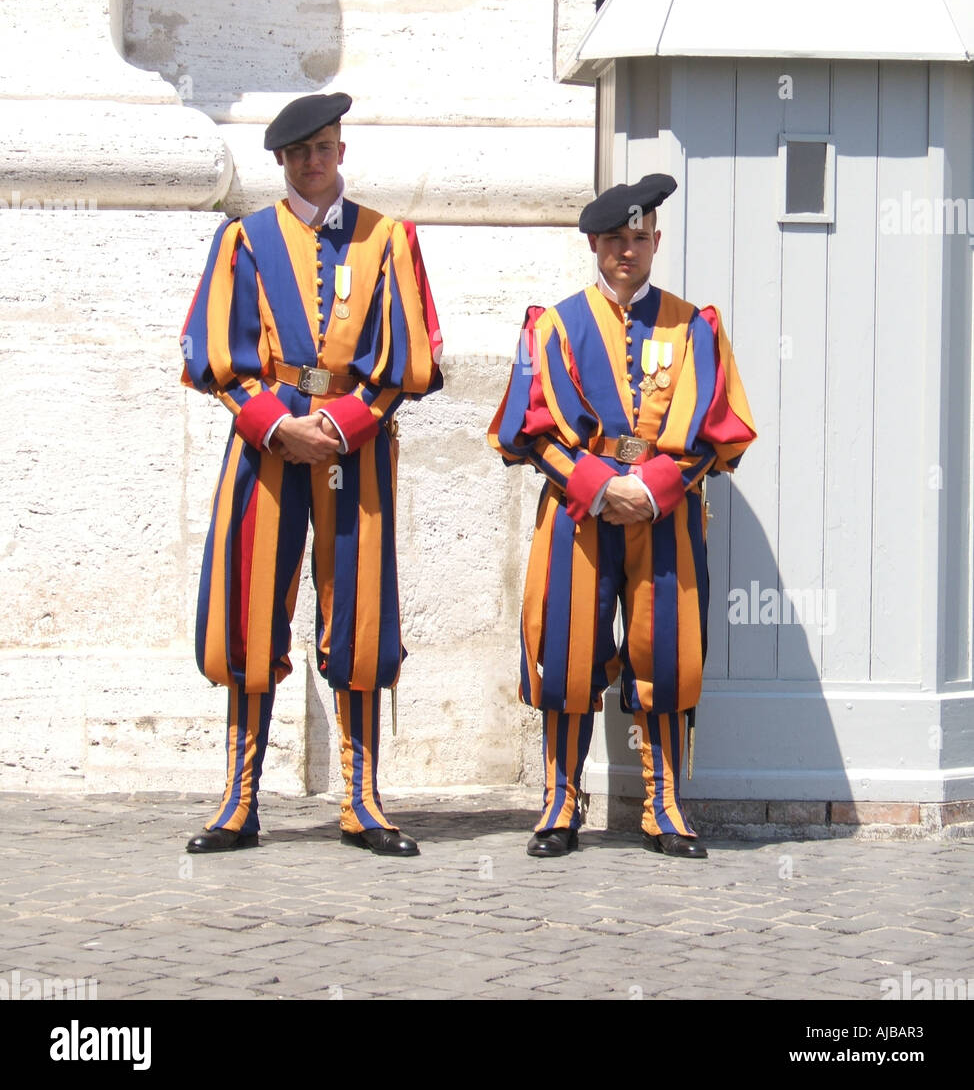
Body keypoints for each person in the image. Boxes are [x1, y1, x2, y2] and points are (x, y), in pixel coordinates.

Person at [181, 92, 442, 856]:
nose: (312, 161)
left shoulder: (388, 239)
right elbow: (214, 354)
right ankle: (238, 799)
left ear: (340, 150)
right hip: (265, 451)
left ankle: (362, 802)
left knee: (359, 619)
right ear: (282, 161)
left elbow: (410, 357)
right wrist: (277, 424)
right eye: (298, 153)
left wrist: (339, 425)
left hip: (352, 452)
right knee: (250, 613)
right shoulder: (244, 241)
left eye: (323, 147)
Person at [488, 175, 755, 859]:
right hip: (581, 509)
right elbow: (532, 430)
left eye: (639, 238)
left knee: (666, 653)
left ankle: (662, 806)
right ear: (594, 245)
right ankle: (560, 802)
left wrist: (655, 486)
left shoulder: (694, 325)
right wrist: (603, 487)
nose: (627, 251)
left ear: (656, 241)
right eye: (615, 240)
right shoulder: (555, 327)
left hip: (664, 514)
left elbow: (713, 432)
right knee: (567, 654)